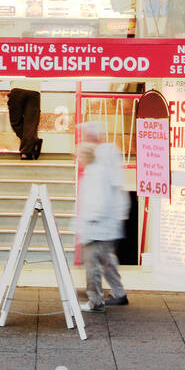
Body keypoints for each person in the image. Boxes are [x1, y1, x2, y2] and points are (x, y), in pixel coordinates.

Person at [75, 123, 129, 311]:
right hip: (106, 223)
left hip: (100, 226)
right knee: (106, 261)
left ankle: (96, 300)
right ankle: (118, 292)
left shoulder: (98, 168)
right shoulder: (100, 165)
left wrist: (87, 225)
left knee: (95, 264)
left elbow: (98, 200)